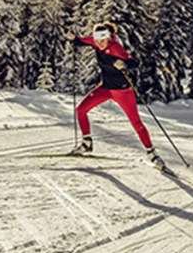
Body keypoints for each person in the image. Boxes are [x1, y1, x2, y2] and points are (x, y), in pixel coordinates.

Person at [68, 22, 166, 169]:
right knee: (81, 110)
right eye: (97, 40)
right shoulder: (95, 41)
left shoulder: (115, 48)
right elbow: (80, 41)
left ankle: (152, 153)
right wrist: (72, 38)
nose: (99, 43)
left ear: (108, 38)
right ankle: (87, 143)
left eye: (102, 40)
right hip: (105, 89)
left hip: (123, 92)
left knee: (136, 123)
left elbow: (134, 62)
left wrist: (124, 64)